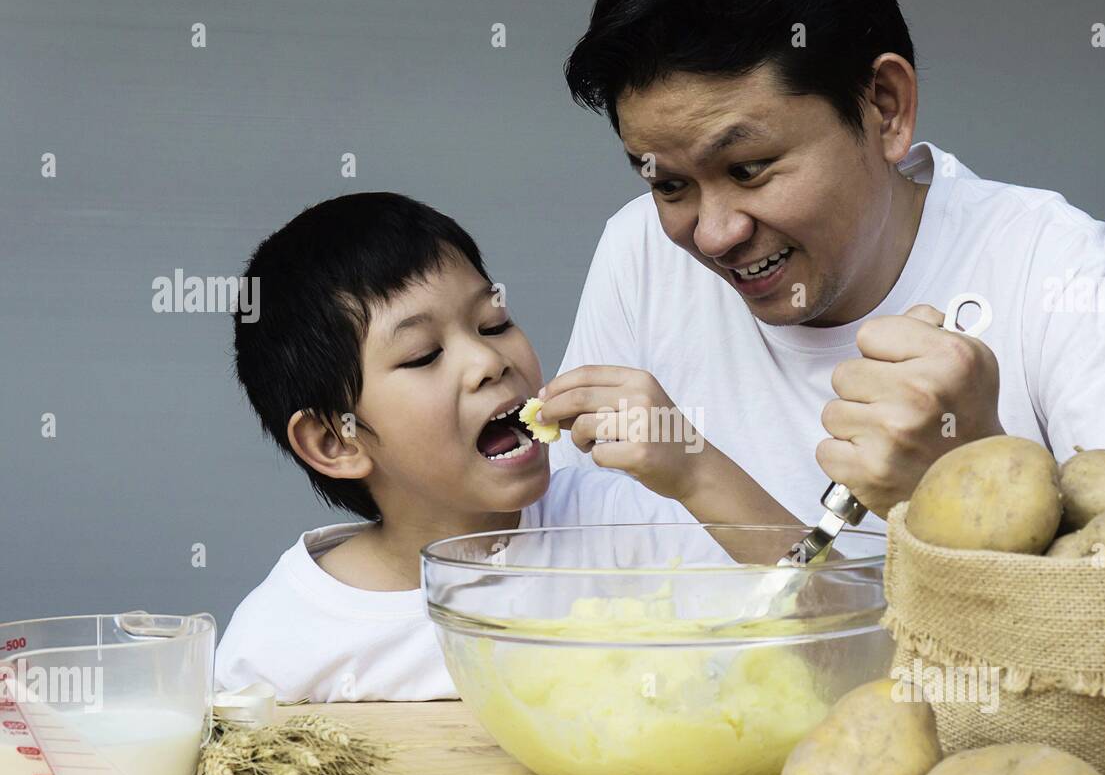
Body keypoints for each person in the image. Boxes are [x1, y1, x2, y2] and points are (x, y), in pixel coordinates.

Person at [546, 0, 1105, 684]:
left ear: (885, 106)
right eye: (668, 184)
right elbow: (551, 575)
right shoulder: (638, 252)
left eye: (750, 169)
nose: (712, 233)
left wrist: (969, 477)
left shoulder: (1057, 265)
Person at [215, 192, 795, 702]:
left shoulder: (619, 525)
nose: (489, 361)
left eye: (493, 324)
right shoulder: (281, 641)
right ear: (334, 440)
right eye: (423, 356)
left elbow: (828, 619)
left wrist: (696, 471)